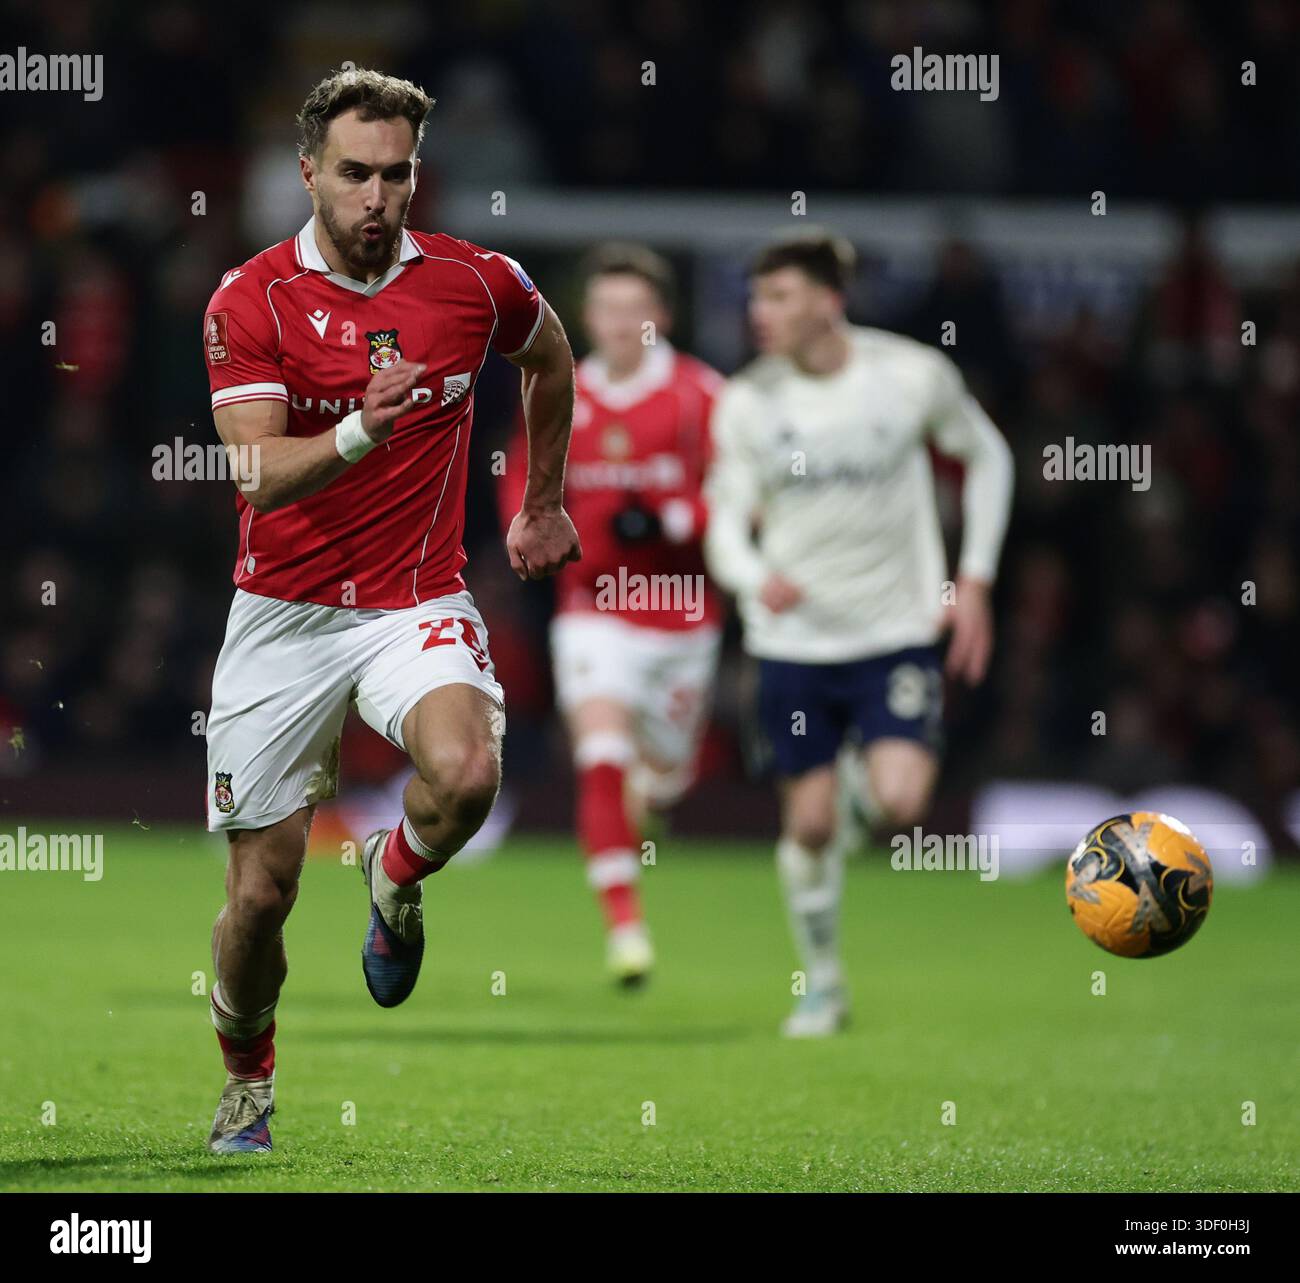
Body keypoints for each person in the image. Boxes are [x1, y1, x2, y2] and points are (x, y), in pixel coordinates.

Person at [200, 68, 580, 1152]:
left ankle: (395, 872)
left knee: (465, 773)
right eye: (356, 173)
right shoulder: (251, 299)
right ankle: (247, 1070)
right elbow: (261, 473)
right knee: (261, 897)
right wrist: (365, 429)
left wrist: (541, 499)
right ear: (309, 171)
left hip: (414, 597)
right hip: (283, 610)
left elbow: (549, 357)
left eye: (398, 173)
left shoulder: (475, 283)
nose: (378, 196)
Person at [703, 231, 1013, 1037]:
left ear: (828, 302)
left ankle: (853, 782)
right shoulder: (748, 403)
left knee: (902, 802)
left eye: (777, 297)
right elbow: (725, 518)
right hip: (792, 640)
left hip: (895, 630)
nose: (758, 314)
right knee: (807, 826)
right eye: (756, 297)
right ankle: (823, 982)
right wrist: (747, 575)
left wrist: (972, 579)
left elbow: (990, 458)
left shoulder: (908, 376)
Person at [500, 244, 723, 983]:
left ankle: (650, 802)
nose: (621, 324)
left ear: (662, 317)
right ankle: (626, 928)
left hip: (684, 614)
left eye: (637, 311)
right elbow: (524, 494)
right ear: (585, 317)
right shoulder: (557, 391)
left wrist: (673, 517)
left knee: (658, 782)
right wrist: (532, 537)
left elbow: (744, 501)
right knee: (599, 753)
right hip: (592, 610)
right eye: (606, 309)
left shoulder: (703, 397)